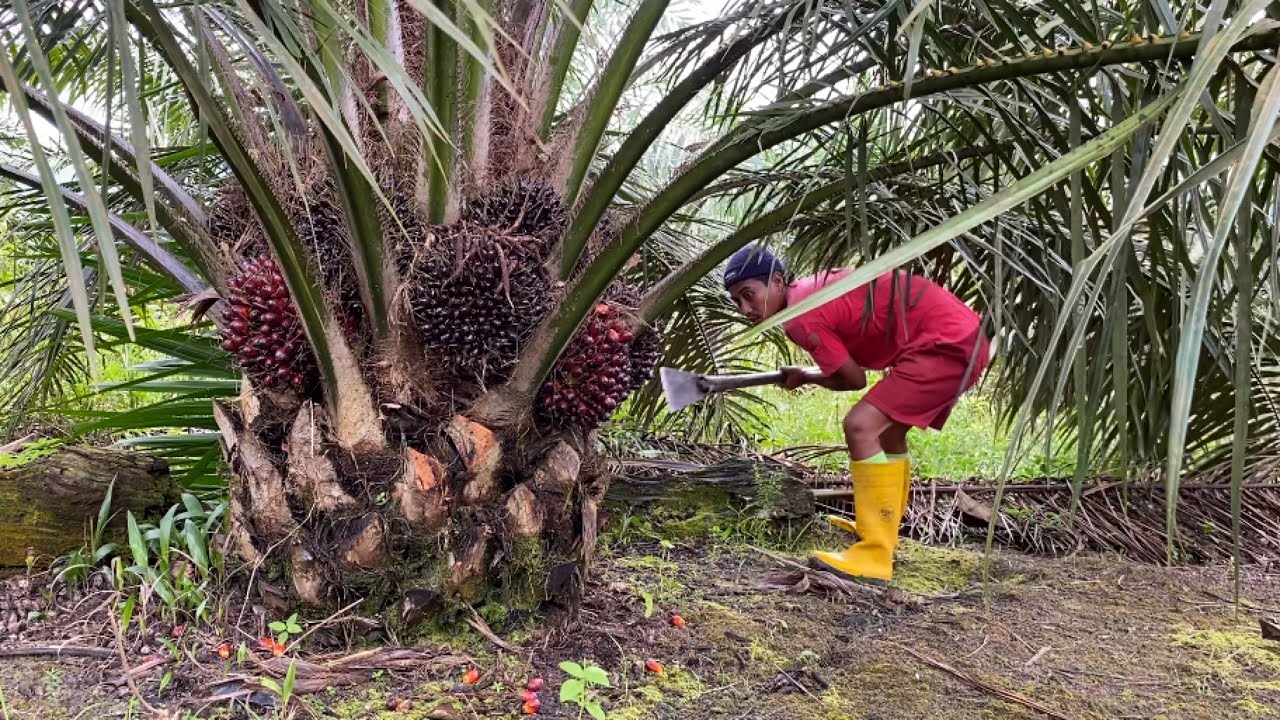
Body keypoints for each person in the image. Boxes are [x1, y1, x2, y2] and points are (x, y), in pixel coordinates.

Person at [724, 244, 991, 583]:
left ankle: (875, 555)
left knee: (860, 426)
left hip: (945, 345)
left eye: (749, 294)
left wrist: (807, 376)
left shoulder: (799, 314)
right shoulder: (809, 290)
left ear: (777, 280)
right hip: (964, 336)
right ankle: (879, 528)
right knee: (887, 433)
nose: (745, 308)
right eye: (737, 301)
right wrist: (807, 374)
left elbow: (852, 379)